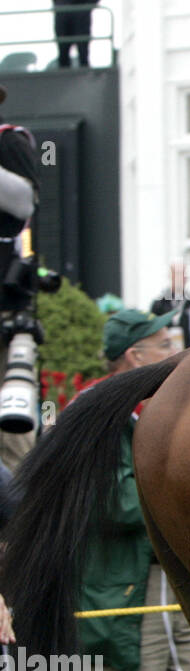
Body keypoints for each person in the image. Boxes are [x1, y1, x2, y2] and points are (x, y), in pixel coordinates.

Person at [75, 309, 190, 671]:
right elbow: (116, 502)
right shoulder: (95, 415)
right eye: (164, 343)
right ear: (136, 356)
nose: (175, 352)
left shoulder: (151, 411)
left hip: (173, 591)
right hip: (120, 604)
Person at [0, 85, 39, 473]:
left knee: (13, 435)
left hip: (6, 317)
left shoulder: (9, 141)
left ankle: (19, 532)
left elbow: (24, 202)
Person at [53, 0, 99, 69]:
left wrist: (87, 7)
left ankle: (85, 75)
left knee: (83, 53)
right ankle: (64, 76)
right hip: (63, 14)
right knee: (63, 54)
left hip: (81, 15)